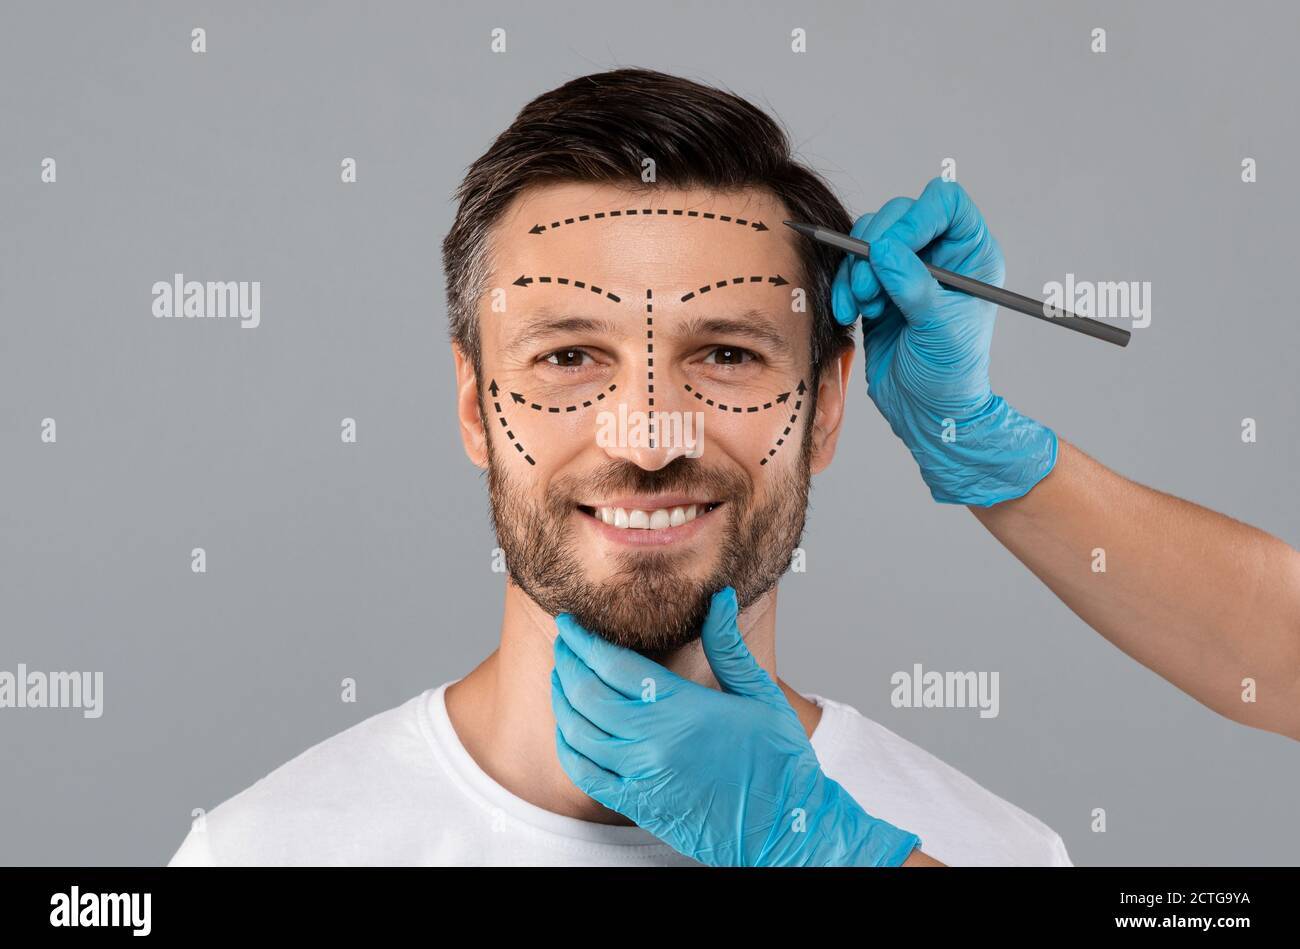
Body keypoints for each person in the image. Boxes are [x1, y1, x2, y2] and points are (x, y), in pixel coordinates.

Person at [168, 67, 1295, 868]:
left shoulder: (993, 851)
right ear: (475, 402)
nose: (649, 434)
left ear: (828, 404)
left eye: (725, 352)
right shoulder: (257, 853)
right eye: (568, 354)